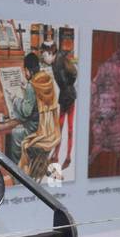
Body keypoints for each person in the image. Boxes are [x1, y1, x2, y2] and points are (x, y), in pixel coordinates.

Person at [42, 40, 78, 171]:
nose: (44, 58)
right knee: (62, 128)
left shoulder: (59, 62)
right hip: (65, 97)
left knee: (67, 128)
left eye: (44, 55)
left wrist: (67, 86)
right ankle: (57, 156)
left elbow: (74, 73)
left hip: (68, 97)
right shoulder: (55, 62)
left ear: (51, 53)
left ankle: (66, 157)